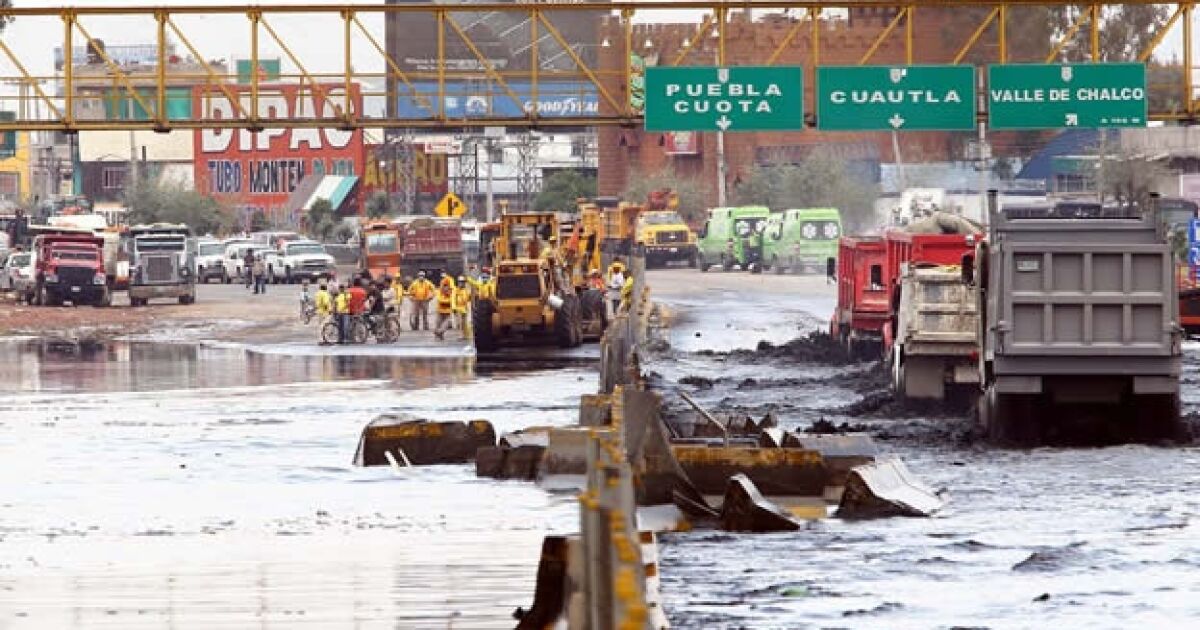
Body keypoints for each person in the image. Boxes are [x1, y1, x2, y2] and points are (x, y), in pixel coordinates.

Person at [452, 275, 472, 339]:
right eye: (460, 282)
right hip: (458, 308)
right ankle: (461, 335)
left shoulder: (466, 290)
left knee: (465, 323)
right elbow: (453, 299)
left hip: (465, 308)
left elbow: (469, 298)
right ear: (458, 282)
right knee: (459, 323)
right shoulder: (455, 290)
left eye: (463, 282)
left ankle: (466, 335)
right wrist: (454, 308)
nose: (461, 283)